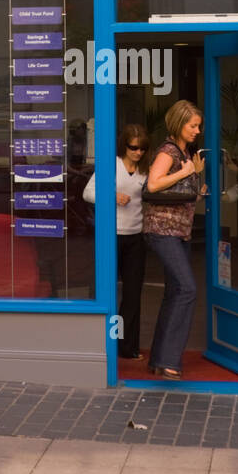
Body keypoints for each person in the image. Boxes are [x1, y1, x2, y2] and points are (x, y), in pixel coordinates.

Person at [144, 100, 207, 380]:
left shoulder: (184, 151)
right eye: (192, 125)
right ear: (179, 123)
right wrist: (186, 172)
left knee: (174, 292)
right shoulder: (168, 151)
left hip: (179, 231)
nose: (197, 130)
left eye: (198, 126)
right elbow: (153, 184)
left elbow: (179, 191)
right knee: (187, 289)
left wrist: (197, 186)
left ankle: (159, 359)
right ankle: (169, 361)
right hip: (163, 230)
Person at [83, 125, 150, 360]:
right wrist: (111, 195)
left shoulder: (145, 169)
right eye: (133, 148)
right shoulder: (111, 165)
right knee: (104, 290)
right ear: (124, 146)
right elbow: (87, 192)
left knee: (133, 295)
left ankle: (127, 347)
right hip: (111, 236)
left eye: (142, 148)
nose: (138, 152)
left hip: (135, 237)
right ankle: (100, 342)